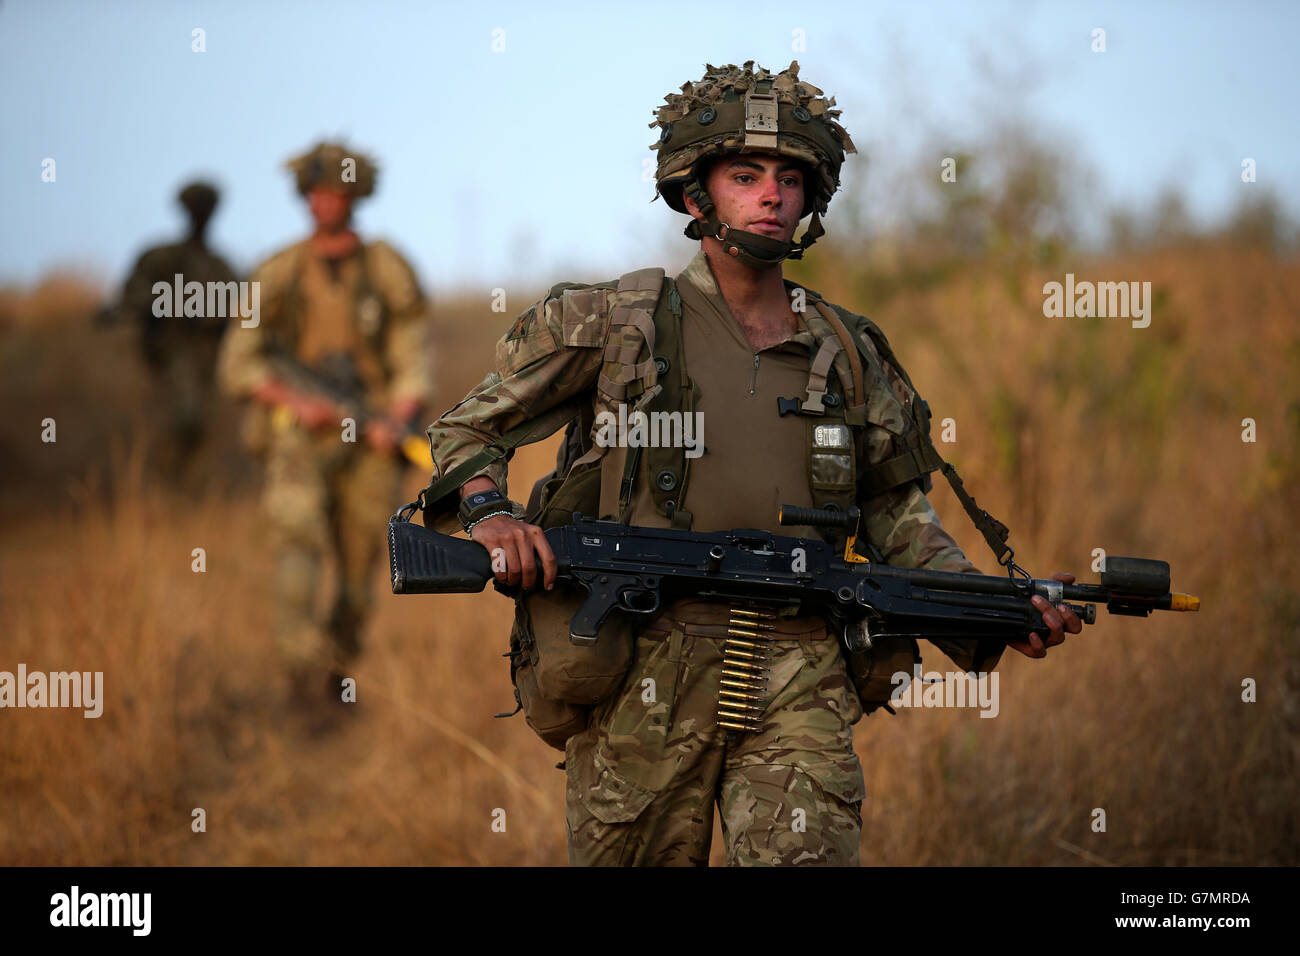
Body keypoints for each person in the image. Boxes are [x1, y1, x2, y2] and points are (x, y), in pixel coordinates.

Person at [423, 61, 1081, 865]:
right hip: (645, 664)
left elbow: (901, 519)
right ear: (697, 196)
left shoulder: (848, 349)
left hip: (802, 663)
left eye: (790, 179)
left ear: (812, 199)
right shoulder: (614, 321)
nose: (772, 196)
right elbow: (464, 432)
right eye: (745, 176)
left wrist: (990, 606)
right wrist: (493, 517)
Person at [217, 141, 433, 729]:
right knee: (298, 547)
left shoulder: (386, 267)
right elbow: (240, 365)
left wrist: (398, 416)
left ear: (356, 196)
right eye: (315, 192)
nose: (324, 203)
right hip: (299, 438)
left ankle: (336, 675)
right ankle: (299, 682)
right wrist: (293, 401)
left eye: (335, 191)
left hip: (372, 442)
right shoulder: (279, 270)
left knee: (363, 568)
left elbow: (412, 356)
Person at [111, 181, 238, 468]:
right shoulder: (162, 258)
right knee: (185, 419)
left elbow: (242, 310)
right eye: (196, 209)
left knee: (209, 428)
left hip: (212, 358)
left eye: (206, 210)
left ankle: (184, 483)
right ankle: (163, 477)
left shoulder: (221, 265)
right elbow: (135, 296)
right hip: (170, 353)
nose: (201, 216)